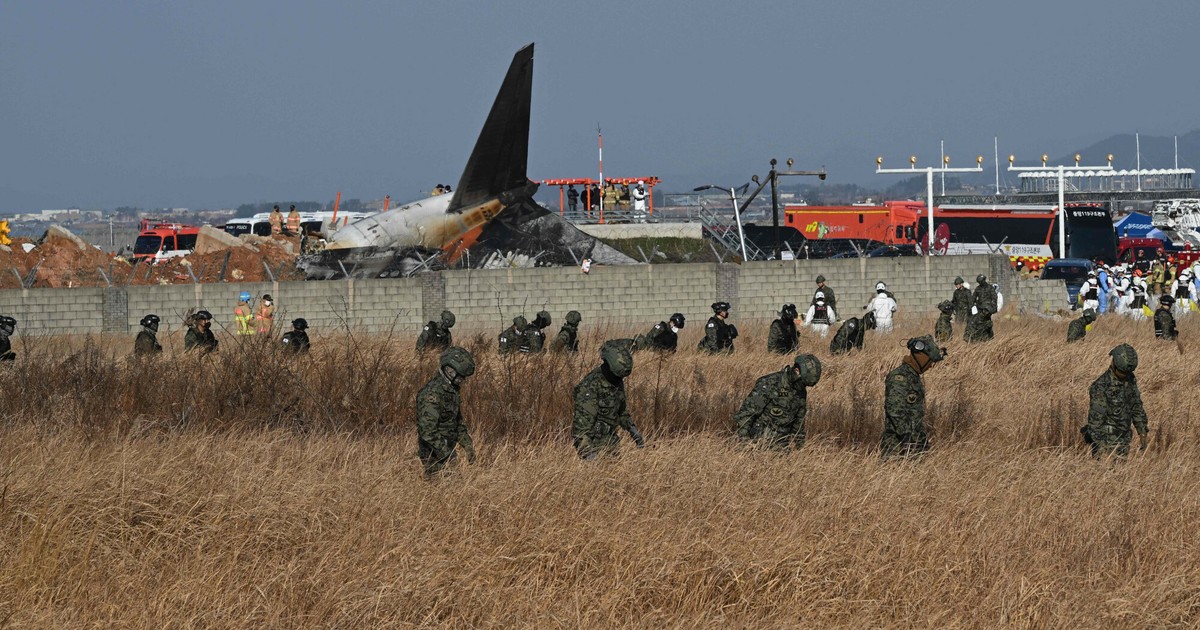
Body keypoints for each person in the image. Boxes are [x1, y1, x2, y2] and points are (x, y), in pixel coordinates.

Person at [572, 339, 645, 459]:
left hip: (612, 444)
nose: (620, 380)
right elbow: (581, 430)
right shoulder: (590, 386)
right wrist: (589, 455)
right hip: (594, 448)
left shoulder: (616, 381)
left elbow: (621, 410)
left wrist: (632, 430)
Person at [733, 354, 822, 450]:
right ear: (797, 371)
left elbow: (798, 424)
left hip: (781, 445)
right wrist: (745, 442)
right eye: (803, 383)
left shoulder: (800, 392)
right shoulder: (769, 384)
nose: (803, 387)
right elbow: (747, 413)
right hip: (758, 442)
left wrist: (801, 448)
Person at [880, 335, 946, 458]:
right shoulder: (900, 377)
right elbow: (894, 411)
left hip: (913, 445)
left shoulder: (913, 376)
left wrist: (921, 442)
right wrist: (907, 438)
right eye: (930, 361)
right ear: (921, 357)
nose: (931, 366)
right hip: (897, 448)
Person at [416, 346, 477, 477]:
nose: (463, 380)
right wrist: (446, 453)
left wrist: (467, 445)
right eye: (461, 376)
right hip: (433, 455)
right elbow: (427, 431)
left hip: (447, 451)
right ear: (450, 371)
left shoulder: (451, 390)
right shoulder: (432, 393)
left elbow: (456, 421)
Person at [1081, 343, 1149, 458]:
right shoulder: (1100, 387)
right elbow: (1095, 424)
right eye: (1122, 373)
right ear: (1113, 365)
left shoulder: (1130, 379)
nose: (1125, 376)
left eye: (1127, 373)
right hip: (1107, 444)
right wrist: (1103, 452)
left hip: (1124, 441)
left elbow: (1136, 406)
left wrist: (1142, 431)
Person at [964, 275, 997, 343]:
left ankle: (987, 337)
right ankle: (982, 338)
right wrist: (971, 307)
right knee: (980, 323)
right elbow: (973, 298)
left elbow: (994, 298)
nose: (980, 283)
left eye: (981, 281)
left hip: (987, 309)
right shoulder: (978, 289)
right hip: (980, 308)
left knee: (986, 323)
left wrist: (992, 309)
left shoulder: (990, 288)